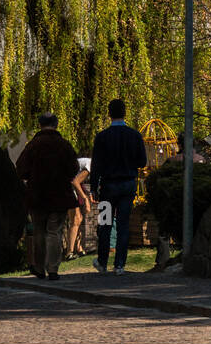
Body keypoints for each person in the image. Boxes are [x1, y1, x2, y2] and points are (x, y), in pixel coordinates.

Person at [15, 112, 80, 280]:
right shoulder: (64, 145)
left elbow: (21, 168)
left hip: (37, 195)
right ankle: (53, 269)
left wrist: (32, 177)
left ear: (40, 125)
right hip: (60, 194)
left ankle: (39, 267)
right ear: (56, 124)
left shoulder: (33, 145)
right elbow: (74, 167)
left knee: (39, 232)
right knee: (54, 232)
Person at [90, 98, 147, 276]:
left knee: (105, 223)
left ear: (109, 113)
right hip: (128, 185)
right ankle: (120, 264)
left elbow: (96, 165)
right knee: (123, 224)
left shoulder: (102, 137)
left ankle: (102, 261)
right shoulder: (135, 135)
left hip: (108, 187)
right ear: (125, 113)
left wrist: (93, 187)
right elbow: (142, 161)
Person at [65, 156, 91, 259]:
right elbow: (75, 182)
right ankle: (69, 252)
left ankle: (79, 248)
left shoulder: (92, 164)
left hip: (71, 185)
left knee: (79, 219)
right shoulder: (90, 165)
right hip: (68, 186)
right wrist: (85, 199)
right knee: (75, 220)